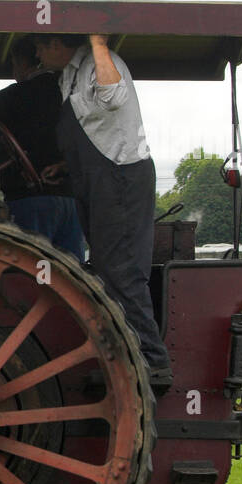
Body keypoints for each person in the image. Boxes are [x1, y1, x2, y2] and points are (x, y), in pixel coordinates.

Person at [32, 32, 171, 389]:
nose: (37, 51)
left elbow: (112, 96)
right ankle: (125, 358)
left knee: (122, 268)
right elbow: (96, 128)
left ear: (60, 43)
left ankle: (152, 363)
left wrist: (98, 42)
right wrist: (66, 167)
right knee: (106, 269)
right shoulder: (69, 75)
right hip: (97, 176)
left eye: (41, 44)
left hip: (119, 175)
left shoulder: (99, 63)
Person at [0, 35, 85, 261]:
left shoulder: (16, 96)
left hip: (30, 200)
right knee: (72, 274)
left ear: (22, 63)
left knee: (28, 270)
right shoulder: (71, 94)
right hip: (72, 201)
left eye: (14, 65)